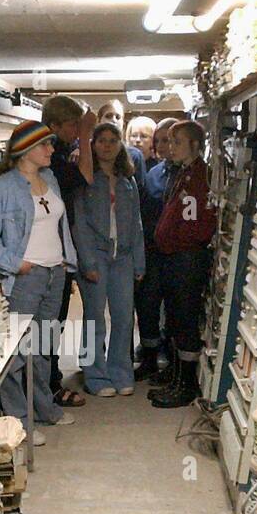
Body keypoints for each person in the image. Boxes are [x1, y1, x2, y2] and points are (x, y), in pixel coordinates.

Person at [0, 121, 79, 444]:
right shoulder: (2, 188)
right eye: (45, 145)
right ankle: (20, 421)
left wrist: (66, 260)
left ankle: (44, 409)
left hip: (54, 274)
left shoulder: (49, 179)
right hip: (25, 277)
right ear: (25, 150)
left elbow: (60, 226)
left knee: (44, 347)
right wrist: (17, 265)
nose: (52, 150)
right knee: (17, 352)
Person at [72, 123, 145, 397]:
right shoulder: (87, 178)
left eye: (113, 140)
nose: (107, 145)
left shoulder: (128, 179)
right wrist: (87, 262)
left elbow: (137, 223)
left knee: (124, 317)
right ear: (93, 145)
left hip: (123, 257)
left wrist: (139, 261)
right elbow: (79, 223)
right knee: (94, 318)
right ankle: (95, 374)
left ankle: (120, 373)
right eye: (101, 140)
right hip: (97, 256)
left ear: (120, 145)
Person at [149, 119, 216, 409]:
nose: (171, 147)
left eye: (177, 142)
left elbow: (195, 226)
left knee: (185, 321)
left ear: (195, 146)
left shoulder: (197, 178)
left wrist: (175, 245)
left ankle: (186, 385)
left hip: (186, 259)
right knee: (175, 320)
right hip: (174, 257)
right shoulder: (182, 173)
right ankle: (176, 375)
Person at [38, 95, 97, 410]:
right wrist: (87, 135)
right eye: (73, 124)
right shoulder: (53, 162)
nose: (77, 129)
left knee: (54, 325)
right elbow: (86, 177)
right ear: (54, 125)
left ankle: (50, 382)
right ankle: (47, 388)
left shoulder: (57, 157)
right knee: (49, 326)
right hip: (50, 260)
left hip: (59, 256)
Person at [134, 116, 180, 381]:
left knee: (175, 309)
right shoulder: (153, 174)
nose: (164, 146)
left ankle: (173, 361)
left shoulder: (192, 174)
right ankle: (150, 358)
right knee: (148, 305)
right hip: (152, 250)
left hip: (176, 253)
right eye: (160, 141)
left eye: (169, 141)